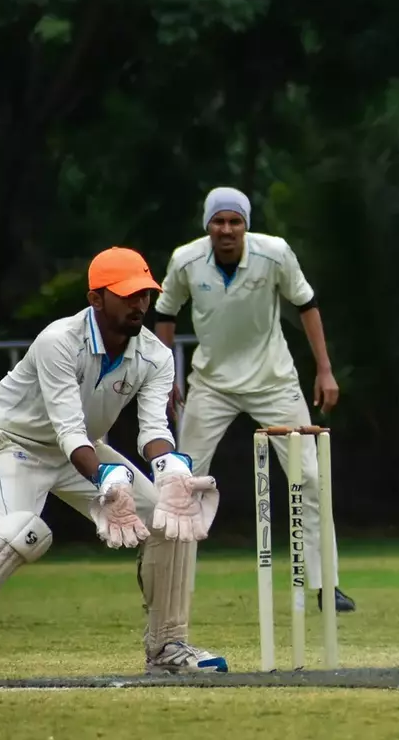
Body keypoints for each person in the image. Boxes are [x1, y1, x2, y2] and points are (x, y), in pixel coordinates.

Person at [0, 247, 226, 682]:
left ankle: (167, 645)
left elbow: (153, 430)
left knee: (173, 519)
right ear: (95, 299)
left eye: (145, 294)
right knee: (22, 531)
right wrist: (106, 477)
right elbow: (67, 428)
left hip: (82, 447)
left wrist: (172, 469)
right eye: (127, 295)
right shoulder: (58, 341)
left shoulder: (155, 354)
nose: (139, 304)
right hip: (12, 440)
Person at [154, 186, 355, 614]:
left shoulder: (274, 253)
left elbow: (307, 303)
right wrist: (166, 375)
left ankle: (326, 585)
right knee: (181, 481)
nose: (226, 230)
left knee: (312, 478)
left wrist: (324, 369)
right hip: (211, 383)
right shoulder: (185, 260)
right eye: (218, 221)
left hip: (273, 380)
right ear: (207, 225)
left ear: (246, 225)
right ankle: (169, 586)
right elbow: (165, 314)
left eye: (235, 221)